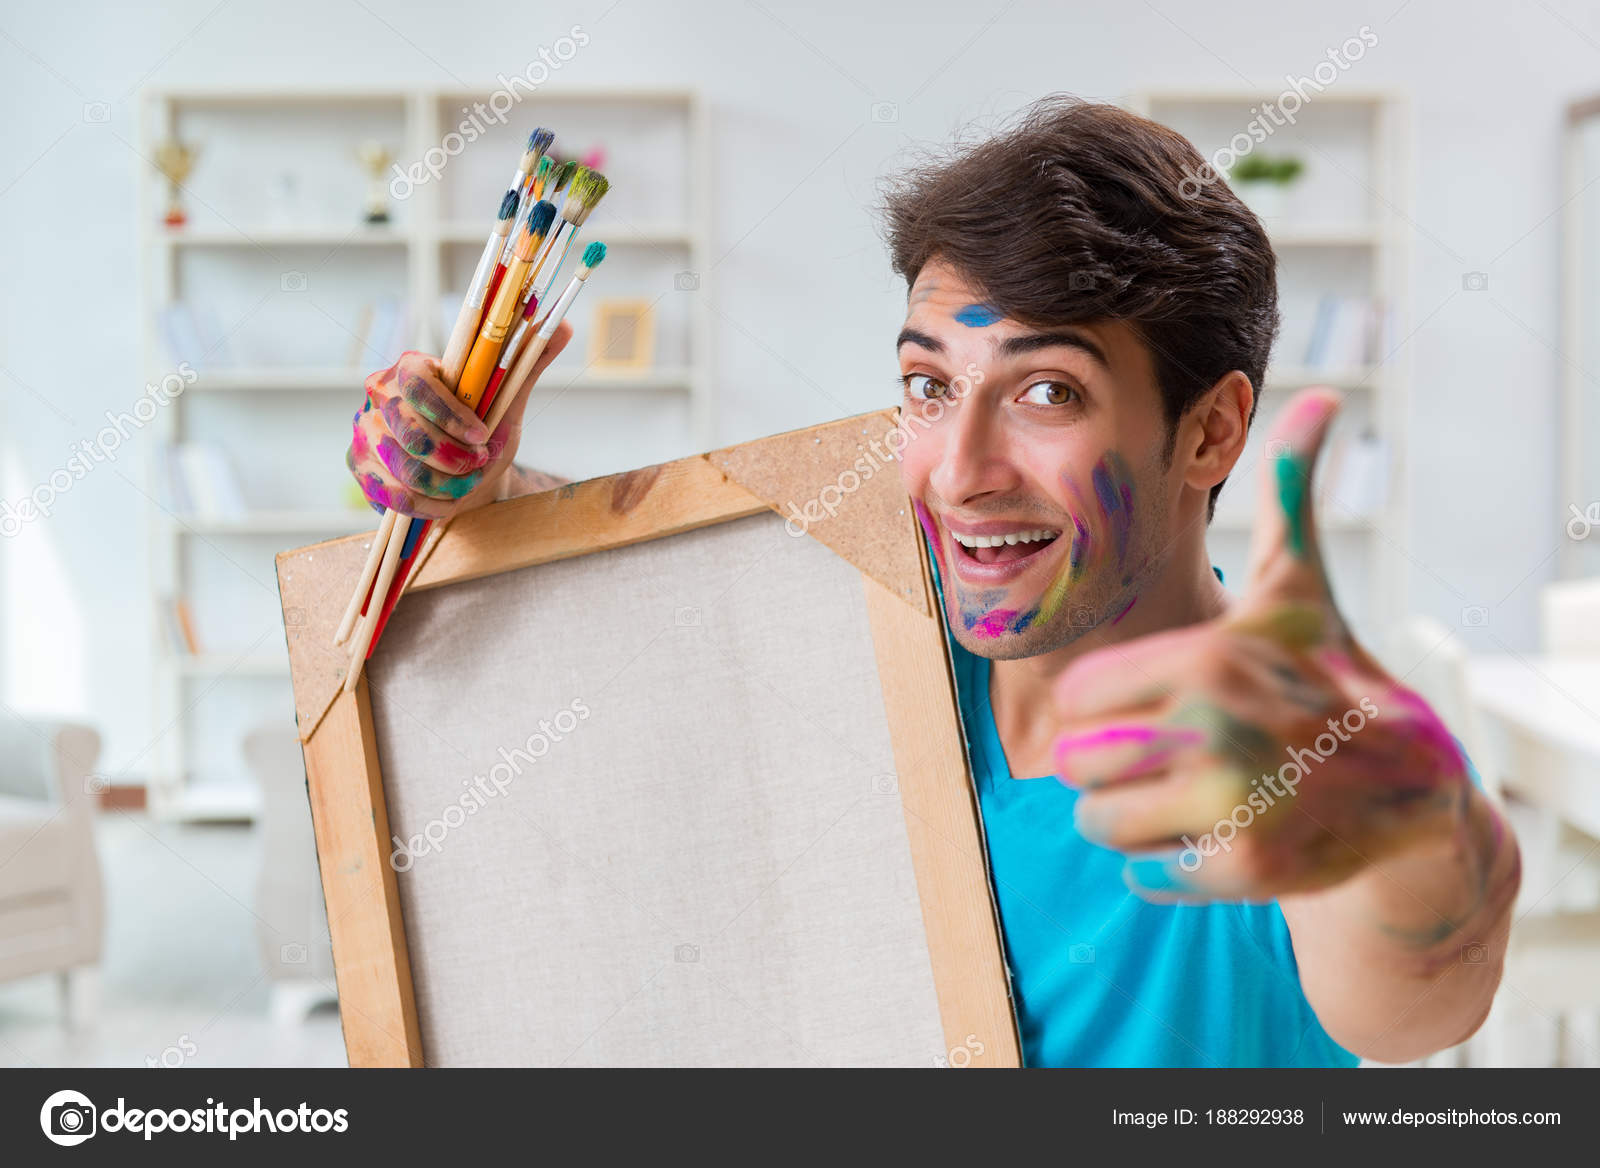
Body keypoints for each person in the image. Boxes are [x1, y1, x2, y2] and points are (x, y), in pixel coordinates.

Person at [346, 96, 1518, 1067]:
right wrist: (476, 495)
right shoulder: (870, 648)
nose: (958, 472)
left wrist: (1408, 835)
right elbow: (651, 626)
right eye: (927, 386)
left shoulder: (1293, 751)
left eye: (1046, 392)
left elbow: (1420, 992)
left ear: (1209, 434)